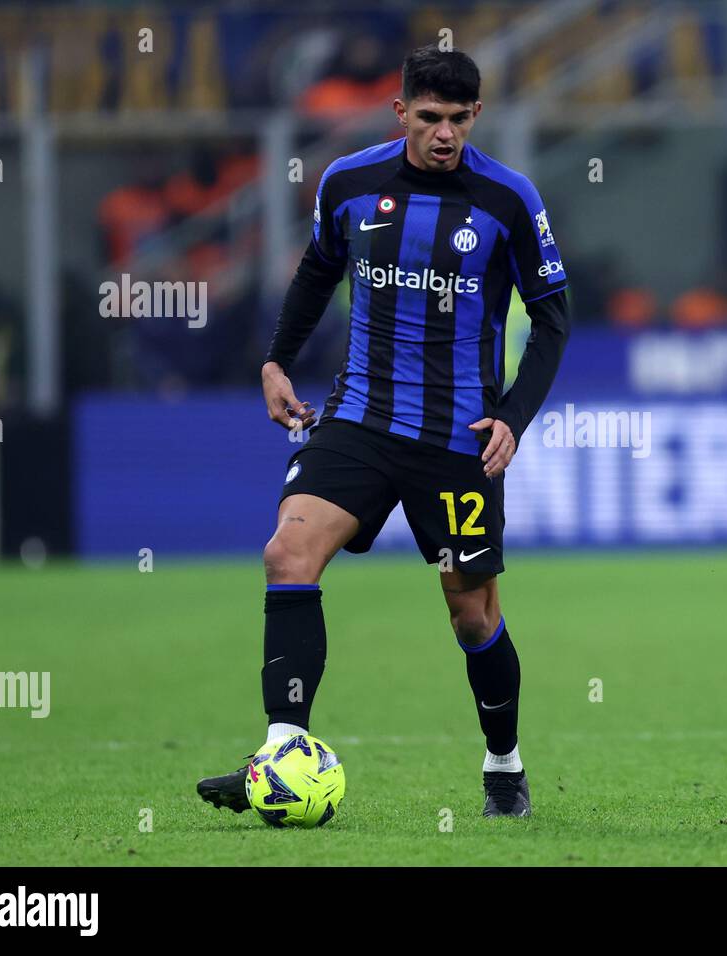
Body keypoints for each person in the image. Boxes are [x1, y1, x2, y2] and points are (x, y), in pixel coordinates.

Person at [197, 44, 570, 819]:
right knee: (286, 553)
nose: (444, 134)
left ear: (475, 117)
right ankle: (281, 753)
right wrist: (275, 362)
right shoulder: (349, 182)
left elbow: (553, 317)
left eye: (459, 120)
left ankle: (504, 764)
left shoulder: (508, 199)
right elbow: (315, 272)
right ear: (400, 112)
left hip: (457, 438)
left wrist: (514, 415)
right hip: (359, 419)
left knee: (473, 615)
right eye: (429, 118)